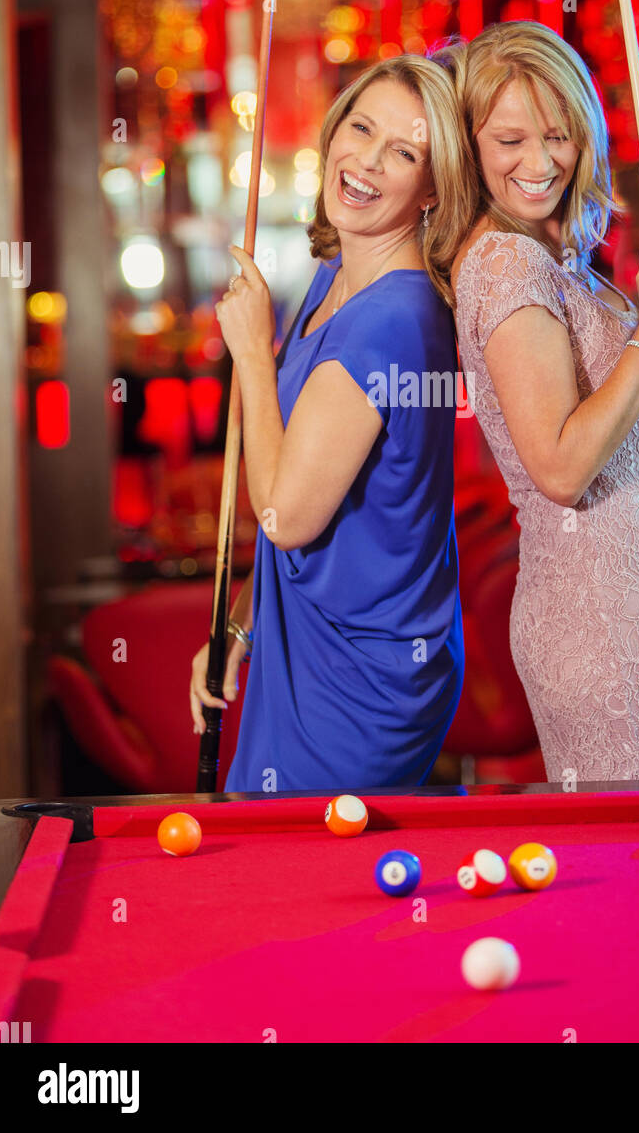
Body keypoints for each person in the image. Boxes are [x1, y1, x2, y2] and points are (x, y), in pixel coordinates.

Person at [434, 22, 639, 781]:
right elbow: (563, 468)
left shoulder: (559, 258)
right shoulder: (506, 262)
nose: (540, 163)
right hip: (601, 622)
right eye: (508, 140)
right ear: (469, 146)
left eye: (559, 134)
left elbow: (629, 446)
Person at [190, 55, 475, 791]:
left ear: (434, 187)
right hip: (303, 639)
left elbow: (286, 514)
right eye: (361, 127)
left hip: (360, 677)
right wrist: (243, 625)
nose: (367, 162)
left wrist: (250, 353)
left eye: (404, 152)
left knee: (299, 886)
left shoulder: (393, 321)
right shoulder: (331, 276)